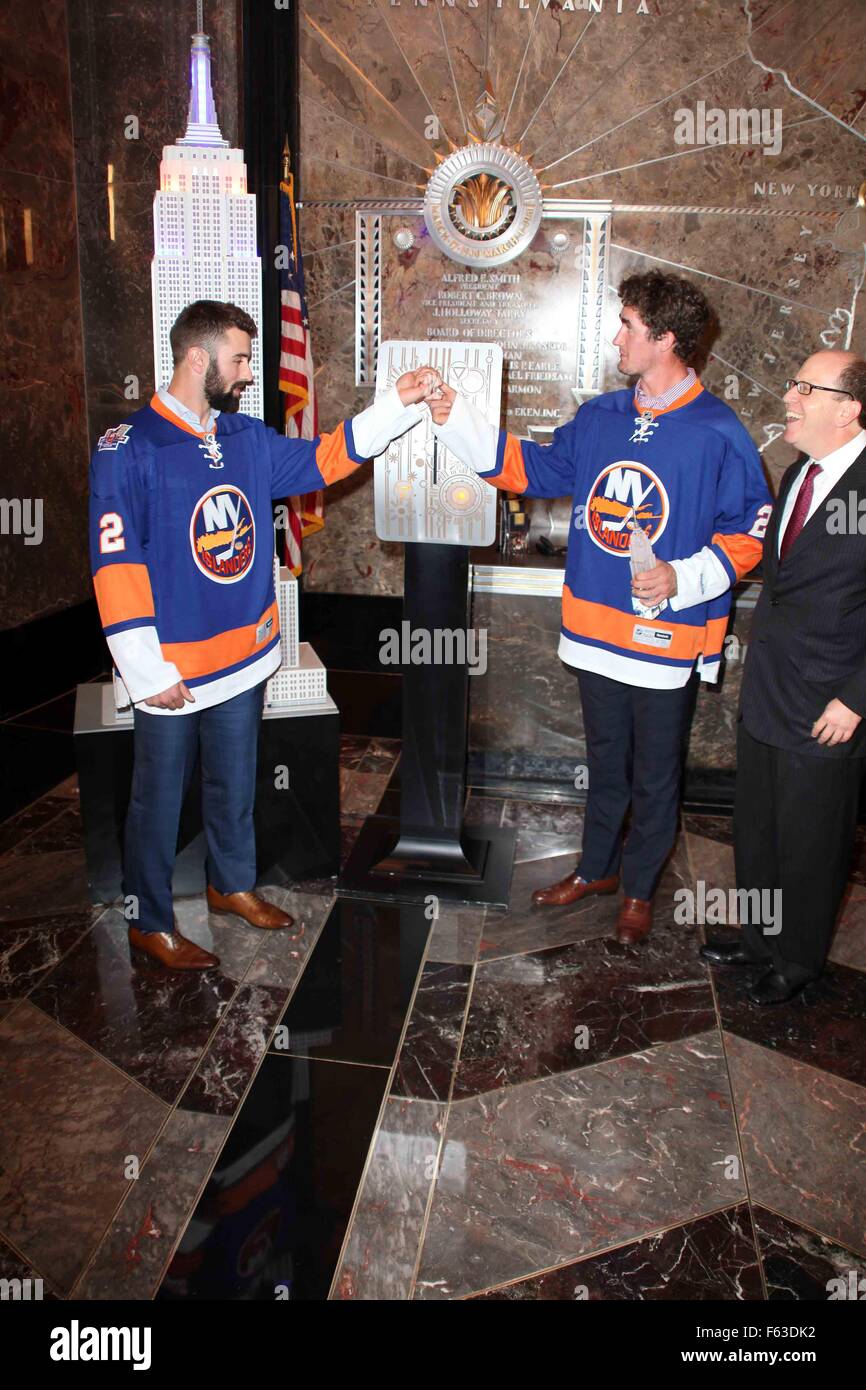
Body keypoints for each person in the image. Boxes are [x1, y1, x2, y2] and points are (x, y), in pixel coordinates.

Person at [89, 299, 438, 970]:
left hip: (244, 656)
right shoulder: (128, 449)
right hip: (174, 669)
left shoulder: (246, 439)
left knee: (234, 781)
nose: (249, 373)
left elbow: (326, 460)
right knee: (158, 798)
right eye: (240, 358)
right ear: (199, 358)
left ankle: (232, 884)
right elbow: (116, 562)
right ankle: (149, 920)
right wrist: (145, 669)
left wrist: (393, 403)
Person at [427, 271, 772, 943]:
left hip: (664, 636)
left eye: (628, 326)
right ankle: (596, 867)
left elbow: (750, 530)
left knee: (655, 771)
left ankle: (639, 889)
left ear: (666, 340)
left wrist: (683, 577)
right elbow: (534, 469)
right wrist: (455, 421)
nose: (616, 337)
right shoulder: (601, 416)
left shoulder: (717, 431)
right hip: (594, 629)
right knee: (605, 758)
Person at [701, 351, 866, 1004]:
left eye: (806, 387)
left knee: (811, 847)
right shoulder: (800, 472)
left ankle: (797, 963)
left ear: (849, 408)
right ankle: (759, 941)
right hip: (768, 694)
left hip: (829, 706)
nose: (788, 396)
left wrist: (857, 700)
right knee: (761, 833)